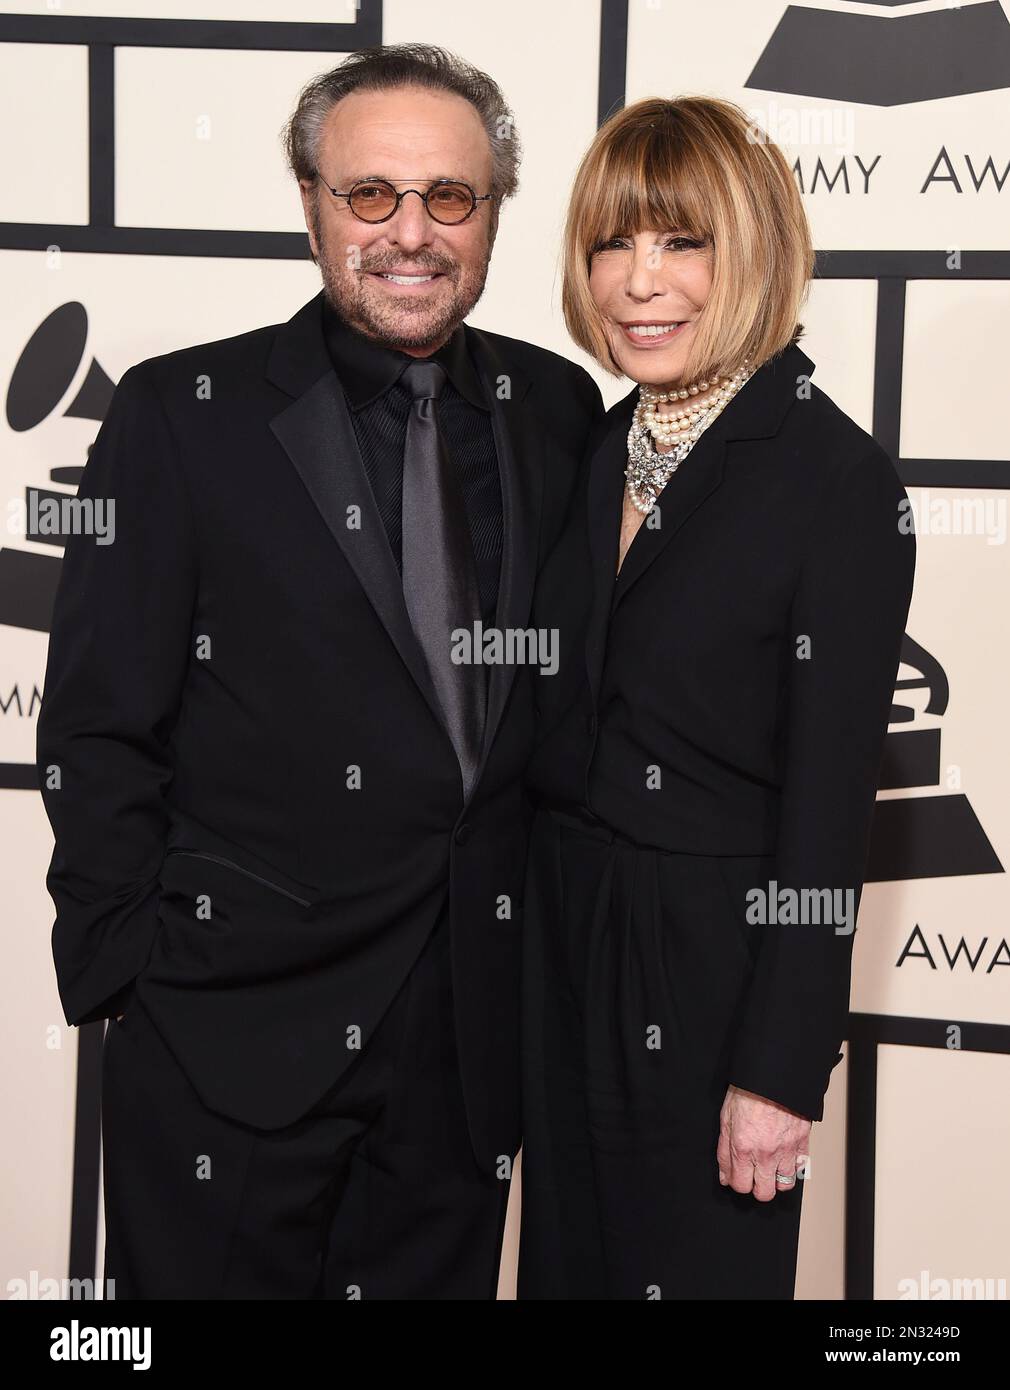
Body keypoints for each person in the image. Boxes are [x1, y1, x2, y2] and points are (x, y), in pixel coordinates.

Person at [36, 42, 603, 1299]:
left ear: (494, 209)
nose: (411, 232)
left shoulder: (556, 410)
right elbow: (95, 721)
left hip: (465, 1051)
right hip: (229, 1034)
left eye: (448, 197)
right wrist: (129, 971)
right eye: (371, 196)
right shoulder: (183, 413)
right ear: (311, 203)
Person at [518, 95, 916, 1299]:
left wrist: (780, 1070)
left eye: (680, 242)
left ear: (752, 252)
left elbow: (826, 805)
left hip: (711, 976)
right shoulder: (589, 448)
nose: (639, 282)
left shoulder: (833, 479)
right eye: (612, 242)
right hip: (560, 946)